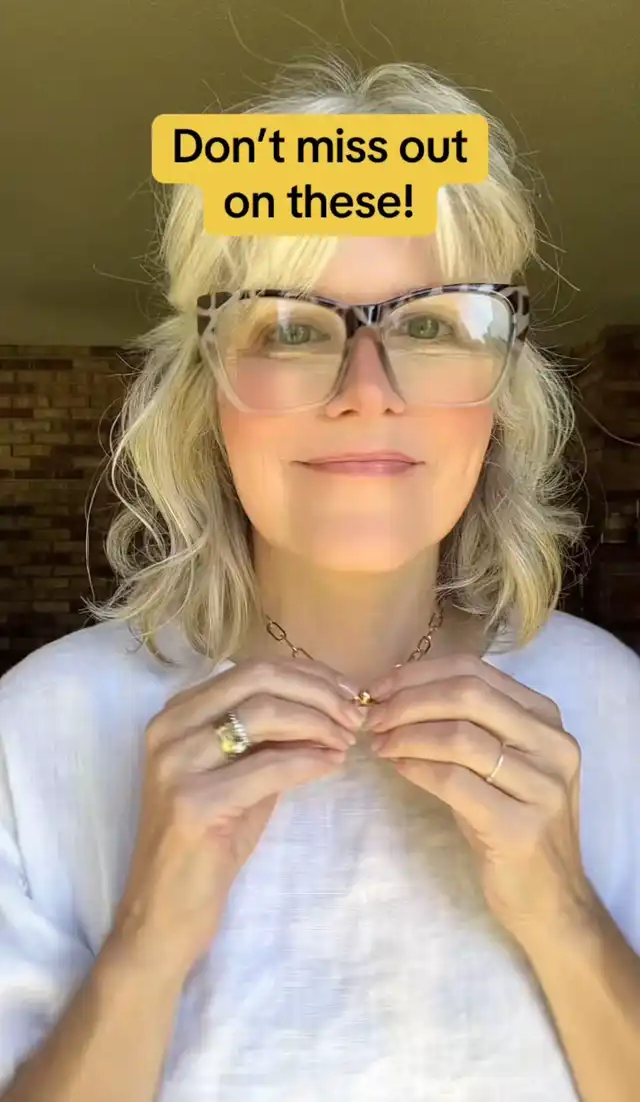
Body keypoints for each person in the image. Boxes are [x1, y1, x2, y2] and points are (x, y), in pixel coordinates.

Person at [0, 54, 639, 1102]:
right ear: (206, 392)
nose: (366, 390)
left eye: (431, 324)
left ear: (499, 395)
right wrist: (150, 942)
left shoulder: (612, 704)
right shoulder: (39, 729)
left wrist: (562, 911)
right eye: (292, 329)